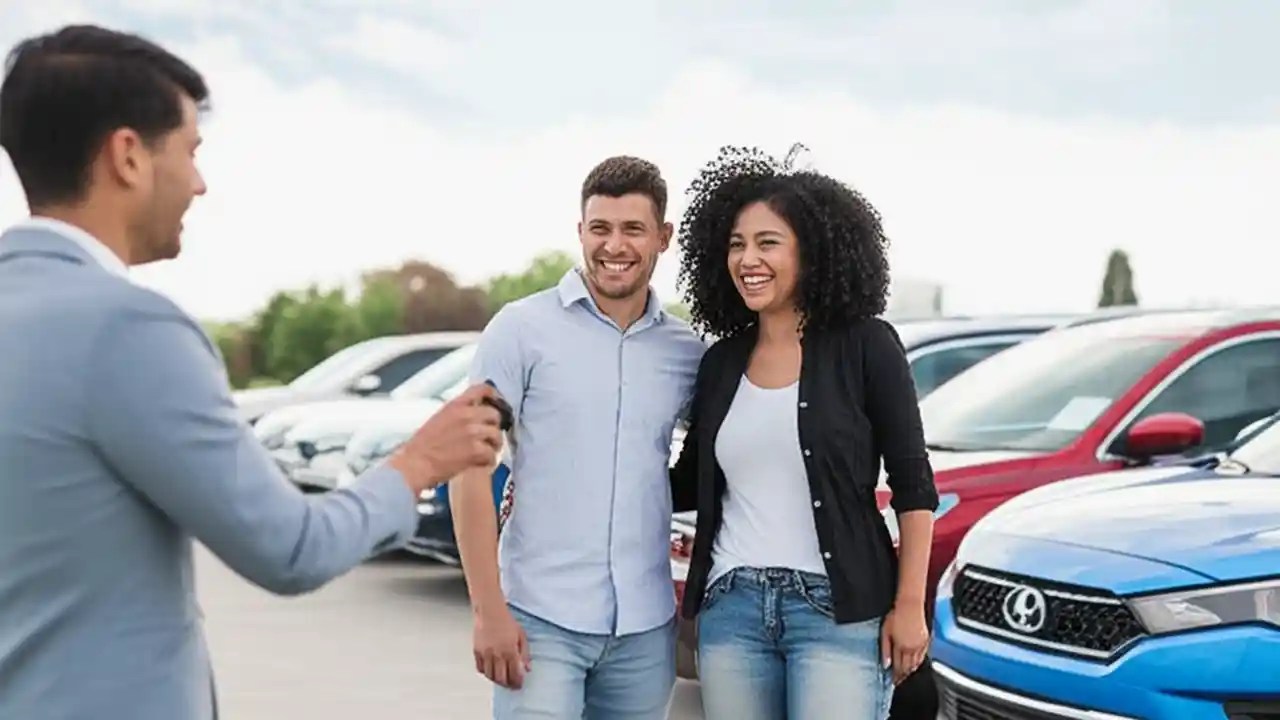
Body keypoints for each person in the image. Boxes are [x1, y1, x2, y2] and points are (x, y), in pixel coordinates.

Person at [0, 25, 504, 720]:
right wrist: (420, 462)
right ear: (127, 156)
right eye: (190, 150)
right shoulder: (130, 329)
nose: (200, 183)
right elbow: (290, 549)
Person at [668, 145, 939, 719]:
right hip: (732, 609)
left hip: (836, 614)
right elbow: (684, 486)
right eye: (737, 244)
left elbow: (914, 486)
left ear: (812, 253)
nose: (747, 259)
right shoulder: (721, 363)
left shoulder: (867, 346)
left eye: (768, 243)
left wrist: (910, 606)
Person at [450, 155, 706, 719]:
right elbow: (467, 469)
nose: (614, 245)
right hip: (540, 623)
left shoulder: (685, 353)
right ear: (581, 230)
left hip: (645, 628)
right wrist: (486, 609)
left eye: (633, 229)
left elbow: (732, 449)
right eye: (601, 228)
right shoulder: (520, 330)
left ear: (663, 237)